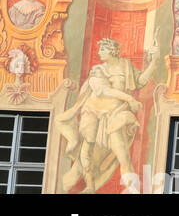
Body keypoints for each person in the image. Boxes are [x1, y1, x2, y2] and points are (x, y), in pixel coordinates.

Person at [57, 39, 160, 194]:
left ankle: (133, 190)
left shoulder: (126, 66)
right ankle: (86, 187)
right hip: (94, 114)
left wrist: (155, 61)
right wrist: (129, 98)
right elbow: (104, 91)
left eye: (102, 50)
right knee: (83, 159)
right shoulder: (98, 70)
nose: (99, 53)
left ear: (111, 50)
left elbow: (140, 81)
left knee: (123, 156)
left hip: (116, 115)